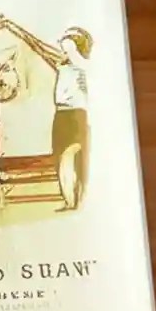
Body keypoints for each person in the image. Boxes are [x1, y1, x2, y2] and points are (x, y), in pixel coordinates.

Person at [53, 27, 93, 210]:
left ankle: (77, 200)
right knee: (61, 158)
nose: (61, 51)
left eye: (65, 48)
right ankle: (69, 200)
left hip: (75, 113)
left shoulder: (82, 64)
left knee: (75, 157)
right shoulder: (64, 65)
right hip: (62, 113)